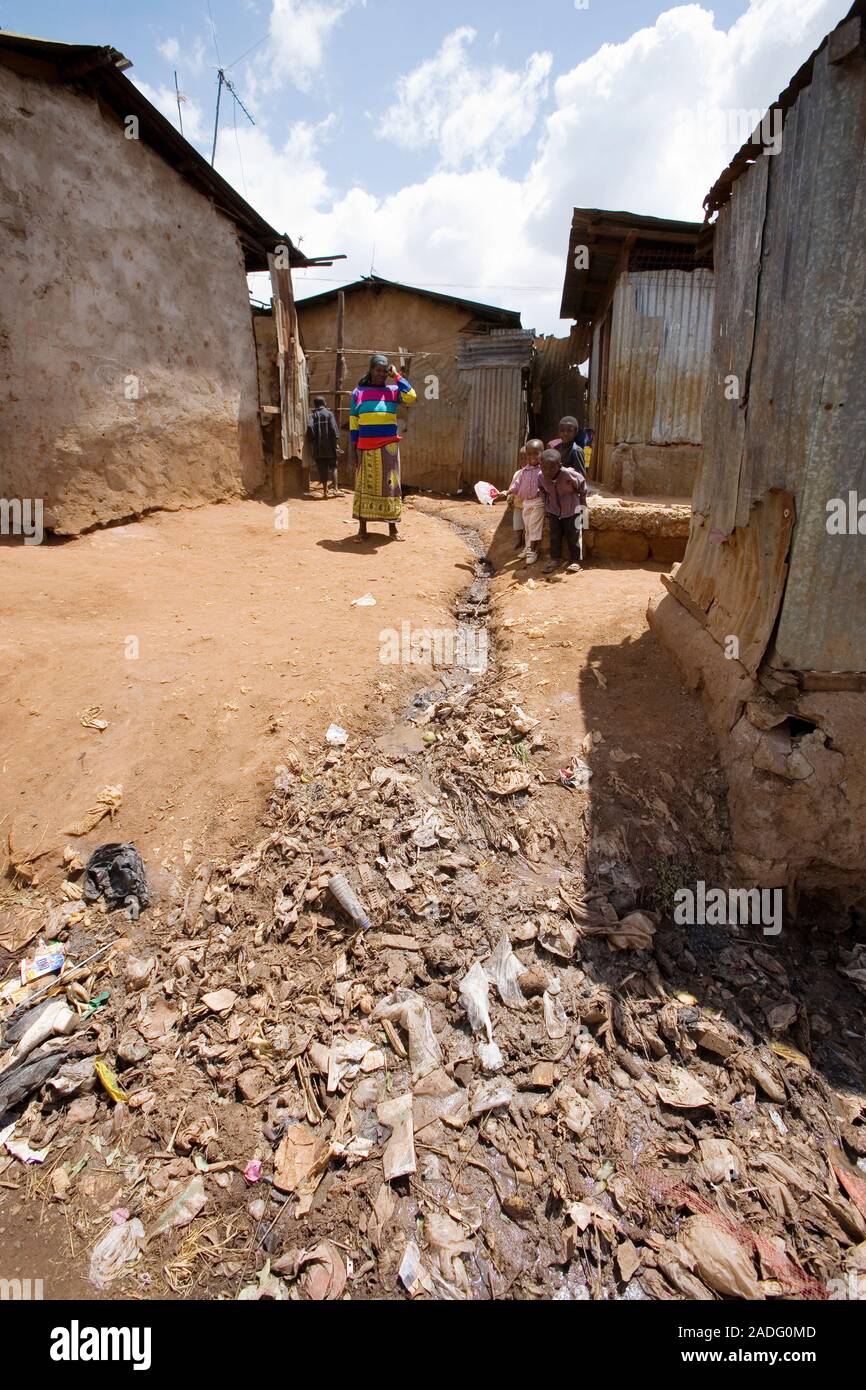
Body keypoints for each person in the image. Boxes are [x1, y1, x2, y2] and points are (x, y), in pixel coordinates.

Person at [349, 354, 416, 541]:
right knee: (363, 487)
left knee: (391, 487)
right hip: (365, 447)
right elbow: (354, 423)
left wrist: (397, 376)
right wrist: (354, 448)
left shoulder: (393, 391)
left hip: (388, 448)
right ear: (370, 370)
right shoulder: (358, 393)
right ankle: (362, 530)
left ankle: (393, 529)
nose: (381, 374)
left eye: (384, 371)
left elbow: (411, 397)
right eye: (377, 370)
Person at [539, 447, 587, 574]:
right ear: (540, 466)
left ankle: (576, 561)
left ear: (559, 466)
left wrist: (583, 503)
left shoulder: (568, 474)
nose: (547, 471)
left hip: (572, 510)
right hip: (554, 511)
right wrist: (546, 505)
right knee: (554, 536)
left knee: (574, 535)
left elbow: (582, 484)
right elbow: (542, 490)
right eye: (544, 468)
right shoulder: (541, 476)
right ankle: (555, 559)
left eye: (552, 468)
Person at [506, 438, 546, 564]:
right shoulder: (524, 471)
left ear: (542, 454)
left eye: (536, 453)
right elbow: (517, 485)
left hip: (538, 502)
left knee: (534, 527)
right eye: (529, 454)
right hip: (526, 503)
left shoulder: (544, 470)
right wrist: (507, 492)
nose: (532, 457)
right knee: (528, 527)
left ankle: (533, 551)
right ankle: (528, 547)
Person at [307, 395, 342, 498]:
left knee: (322, 468)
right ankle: (335, 489)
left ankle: (325, 491)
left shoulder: (313, 416)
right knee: (334, 466)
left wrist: (313, 439)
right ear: (324, 403)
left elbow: (309, 426)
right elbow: (333, 429)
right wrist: (336, 443)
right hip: (330, 446)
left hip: (318, 447)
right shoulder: (329, 414)